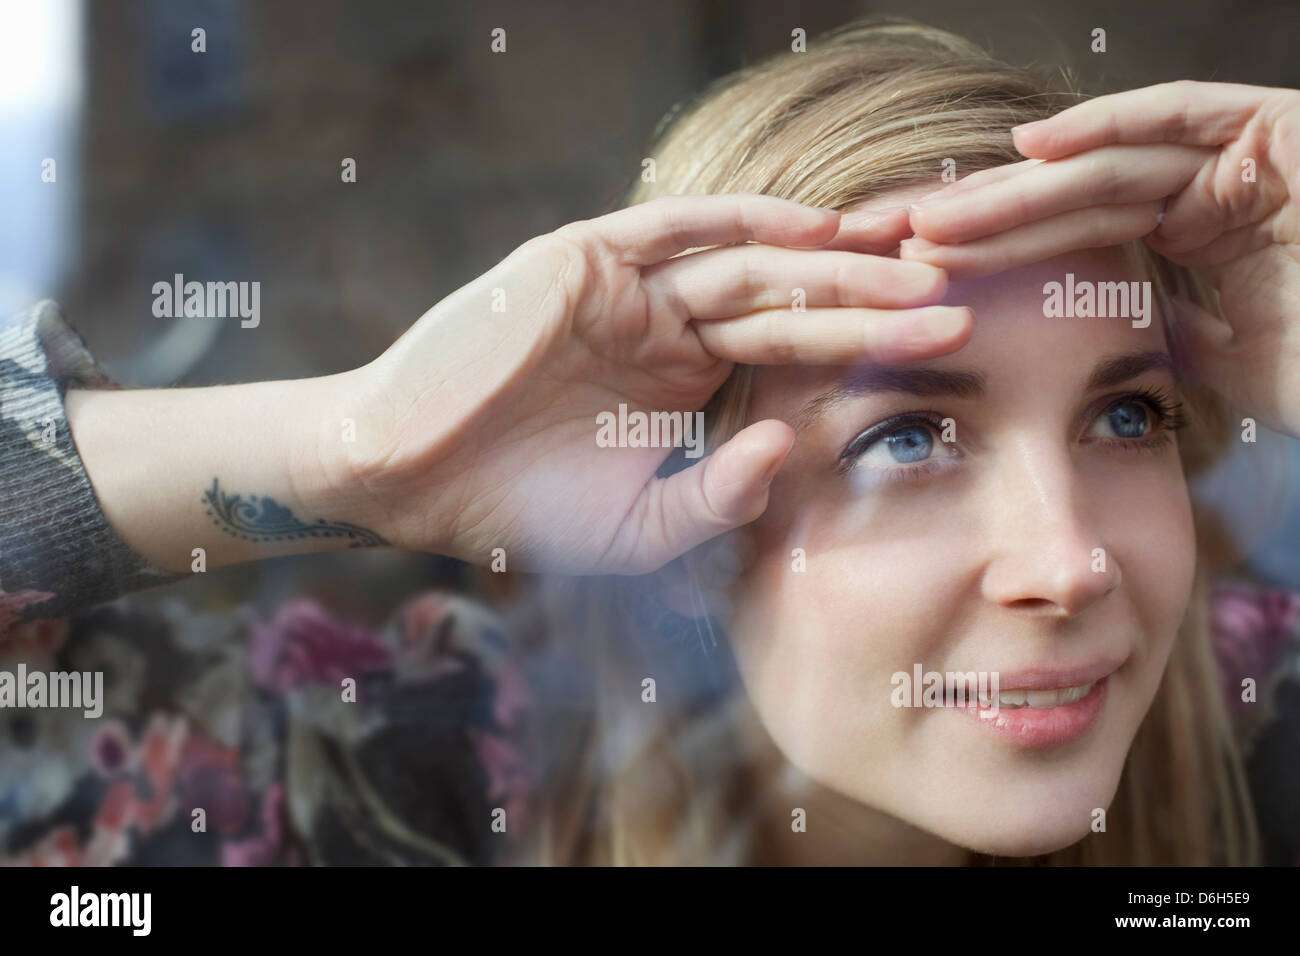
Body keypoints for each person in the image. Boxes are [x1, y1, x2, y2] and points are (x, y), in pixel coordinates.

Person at [3, 18, 1299, 865]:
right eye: (908, 438)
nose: (1068, 567)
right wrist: (362, 447)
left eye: (1127, 414)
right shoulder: (404, 775)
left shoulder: (1254, 717)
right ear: (682, 521)